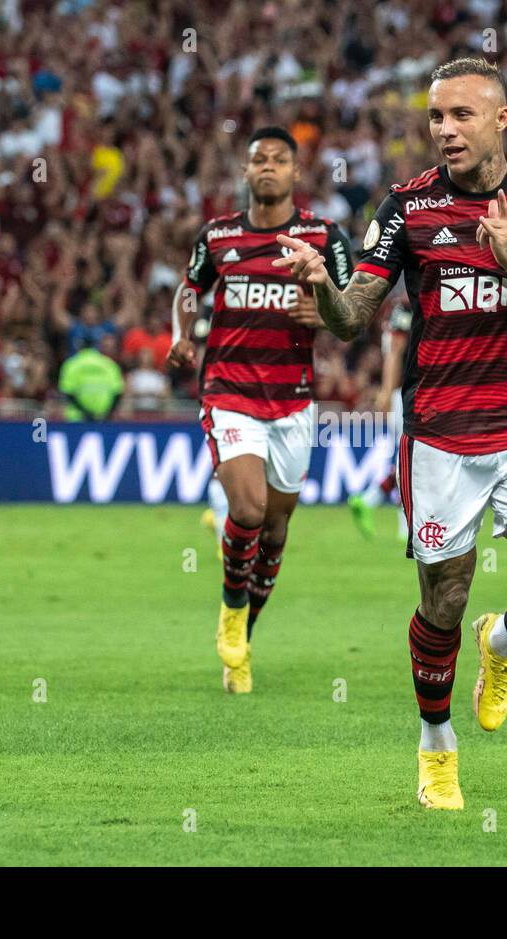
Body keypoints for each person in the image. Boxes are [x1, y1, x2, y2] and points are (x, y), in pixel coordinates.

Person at [275, 58, 507, 810]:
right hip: (442, 435)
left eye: (461, 115)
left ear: (502, 120)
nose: (444, 129)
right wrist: (323, 286)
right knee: (442, 601)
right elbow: (354, 320)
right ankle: (436, 750)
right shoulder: (406, 208)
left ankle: (502, 644)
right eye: (435, 117)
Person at [169, 126, 354, 695]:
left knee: (275, 531)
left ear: (297, 173)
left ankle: (241, 640)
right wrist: (180, 334)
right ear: (246, 172)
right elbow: (187, 288)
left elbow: (354, 308)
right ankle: (230, 608)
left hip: (293, 403)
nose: (268, 167)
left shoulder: (323, 236)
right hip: (228, 394)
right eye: (258, 160)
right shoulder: (218, 236)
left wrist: (322, 311)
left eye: (279, 160)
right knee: (247, 510)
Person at [348, 300, 411, 540]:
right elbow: (395, 348)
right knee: (412, 460)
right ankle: (404, 526)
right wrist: (387, 391)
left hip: (409, 393)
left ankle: (370, 500)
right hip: (408, 393)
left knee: (411, 460)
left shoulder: (402, 308)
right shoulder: (407, 308)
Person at [58, 336, 124, 421]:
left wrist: (86, 413)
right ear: (96, 347)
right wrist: (107, 412)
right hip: (102, 417)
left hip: (77, 418)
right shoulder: (109, 365)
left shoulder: (71, 365)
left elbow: (67, 392)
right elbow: (118, 392)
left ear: (79, 347)